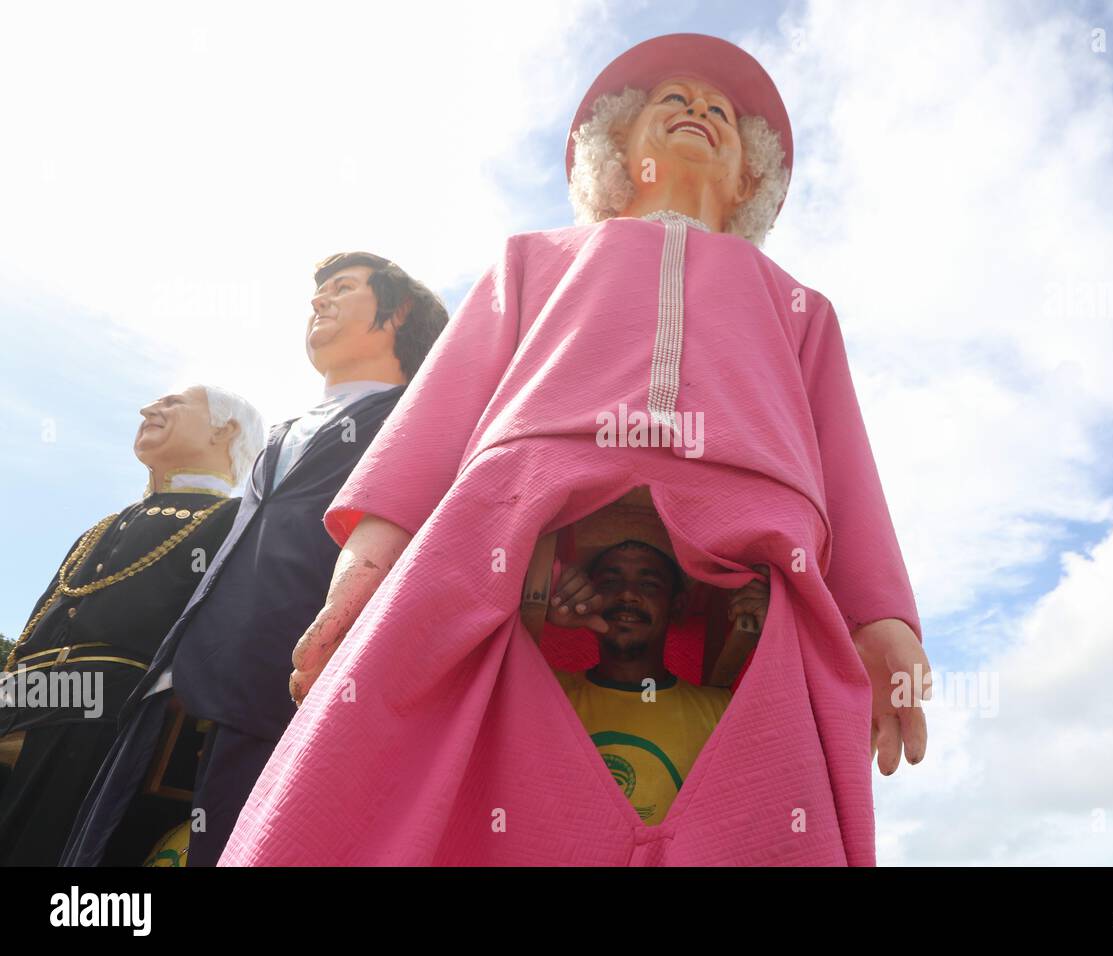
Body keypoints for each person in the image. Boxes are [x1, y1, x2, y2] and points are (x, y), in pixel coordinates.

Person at [229, 33, 930, 867]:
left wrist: (881, 619)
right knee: (405, 790)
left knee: (769, 808)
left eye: (722, 115)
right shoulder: (528, 262)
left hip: (764, 557)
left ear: (751, 176)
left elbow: (847, 471)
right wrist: (366, 571)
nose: (698, 111)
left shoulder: (804, 309)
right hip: (510, 520)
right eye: (673, 99)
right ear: (615, 147)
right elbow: (432, 425)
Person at [59, 253, 447, 866]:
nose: (319, 302)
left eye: (343, 289)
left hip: (282, 695)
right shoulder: (280, 431)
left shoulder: (424, 419)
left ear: (398, 312)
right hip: (171, 688)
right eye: (318, 292)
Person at [0, 384, 262, 865]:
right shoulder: (102, 526)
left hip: (107, 720)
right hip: (18, 702)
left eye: (173, 404)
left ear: (224, 429)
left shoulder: (239, 522)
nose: (149, 409)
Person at [546, 520, 770, 827]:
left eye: (649, 584)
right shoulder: (546, 695)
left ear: (677, 607)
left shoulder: (721, 713)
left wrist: (781, 625)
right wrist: (541, 598)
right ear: (588, 597)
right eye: (610, 582)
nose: (628, 595)